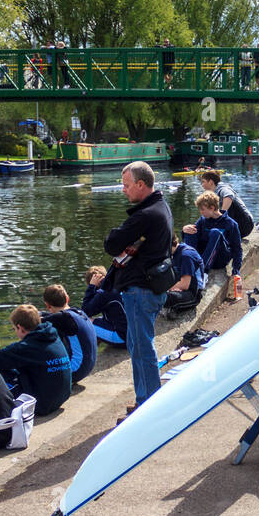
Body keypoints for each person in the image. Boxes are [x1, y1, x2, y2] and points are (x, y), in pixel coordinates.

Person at [104, 160, 175, 410]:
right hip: (153, 286)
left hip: (140, 290)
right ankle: (146, 399)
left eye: (126, 185)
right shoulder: (161, 206)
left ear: (141, 185)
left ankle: (148, 405)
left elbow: (111, 244)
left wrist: (116, 236)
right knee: (138, 344)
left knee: (142, 347)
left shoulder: (144, 215)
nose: (123, 190)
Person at [0, 305, 72, 416]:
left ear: (20, 328)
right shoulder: (52, 336)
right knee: (15, 364)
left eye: (15, 329)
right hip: (61, 397)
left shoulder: (28, 347)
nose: (15, 332)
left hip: (42, 405)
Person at [41, 284, 97, 385]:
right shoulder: (78, 312)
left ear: (47, 305)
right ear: (67, 298)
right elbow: (50, 316)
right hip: (86, 368)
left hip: (75, 371)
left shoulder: (63, 318)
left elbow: (35, 321)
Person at [184, 191, 244, 276]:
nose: (201, 212)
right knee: (191, 230)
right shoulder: (202, 220)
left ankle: (202, 271)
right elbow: (191, 238)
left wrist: (236, 270)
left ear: (212, 208)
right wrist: (184, 230)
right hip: (203, 256)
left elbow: (237, 249)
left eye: (202, 209)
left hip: (219, 258)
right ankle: (188, 265)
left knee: (215, 232)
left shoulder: (231, 224)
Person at [200, 170, 254, 239]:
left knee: (227, 205)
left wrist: (222, 215)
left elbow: (229, 195)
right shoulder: (214, 193)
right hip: (240, 225)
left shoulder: (222, 188)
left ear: (210, 182)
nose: (202, 185)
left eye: (203, 182)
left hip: (245, 224)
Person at [82, 265, 127, 345]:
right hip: (135, 334)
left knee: (84, 321)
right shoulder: (116, 284)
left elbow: (85, 312)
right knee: (98, 319)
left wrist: (91, 287)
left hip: (123, 338)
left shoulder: (104, 293)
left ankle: (90, 355)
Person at [165, 233, 206, 312]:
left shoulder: (186, 255)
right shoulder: (173, 253)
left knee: (163, 298)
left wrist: (167, 289)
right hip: (178, 287)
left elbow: (184, 285)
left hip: (192, 294)